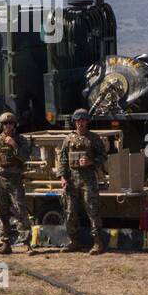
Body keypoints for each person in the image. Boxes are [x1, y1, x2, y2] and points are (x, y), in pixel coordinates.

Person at [57, 108, 107, 254]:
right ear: (75, 122)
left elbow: (103, 156)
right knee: (70, 211)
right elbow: (63, 159)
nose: (81, 124)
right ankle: (74, 241)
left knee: (93, 211)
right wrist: (63, 177)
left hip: (88, 179)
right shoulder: (68, 139)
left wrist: (91, 161)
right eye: (78, 121)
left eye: (83, 120)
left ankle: (98, 243)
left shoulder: (94, 138)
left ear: (87, 122)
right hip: (72, 179)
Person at [0, 112, 32, 255]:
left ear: (15, 125)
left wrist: (14, 145)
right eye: (5, 124)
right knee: (2, 212)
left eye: (11, 123)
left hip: (15, 179)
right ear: (1, 125)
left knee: (20, 211)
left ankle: (27, 243)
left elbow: (25, 157)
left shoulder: (21, 140)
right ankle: (5, 243)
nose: (8, 126)